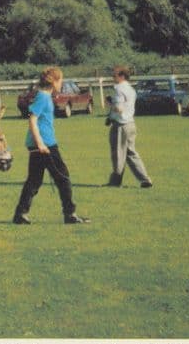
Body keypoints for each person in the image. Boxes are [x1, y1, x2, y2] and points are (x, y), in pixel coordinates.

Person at [13, 67, 90, 225]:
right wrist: (40, 143)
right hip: (45, 144)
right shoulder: (43, 97)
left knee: (34, 181)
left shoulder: (45, 96)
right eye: (60, 80)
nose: (61, 83)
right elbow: (32, 119)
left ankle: (20, 214)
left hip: (39, 143)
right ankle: (70, 214)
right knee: (63, 178)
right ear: (54, 81)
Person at [106, 66, 153, 188]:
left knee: (118, 153)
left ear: (121, 76)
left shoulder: (118, 89)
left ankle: (115, 181)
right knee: (131, 153)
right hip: (131, 124)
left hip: (121, 125)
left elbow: (119, 108)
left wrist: (111, 103)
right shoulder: (131, 89)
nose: (112, 77)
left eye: (114, 75)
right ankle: (145, 179)